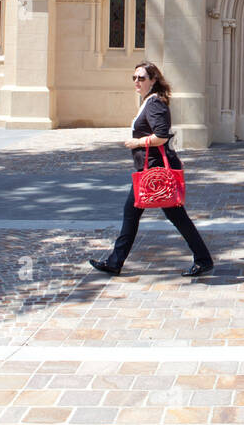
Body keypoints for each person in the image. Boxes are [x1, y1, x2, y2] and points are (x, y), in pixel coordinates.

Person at [89, 61, 214, 278]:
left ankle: (116, 262)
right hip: (151, 170)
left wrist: (137, 143)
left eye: (142, 78)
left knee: (153, 215)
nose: (137, 81)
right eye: (134, 78)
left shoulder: (154, 103)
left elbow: (162, 135)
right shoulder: (149, 101)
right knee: (150, 214)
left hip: (155, 172)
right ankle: (116, 262)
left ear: (153, 80)